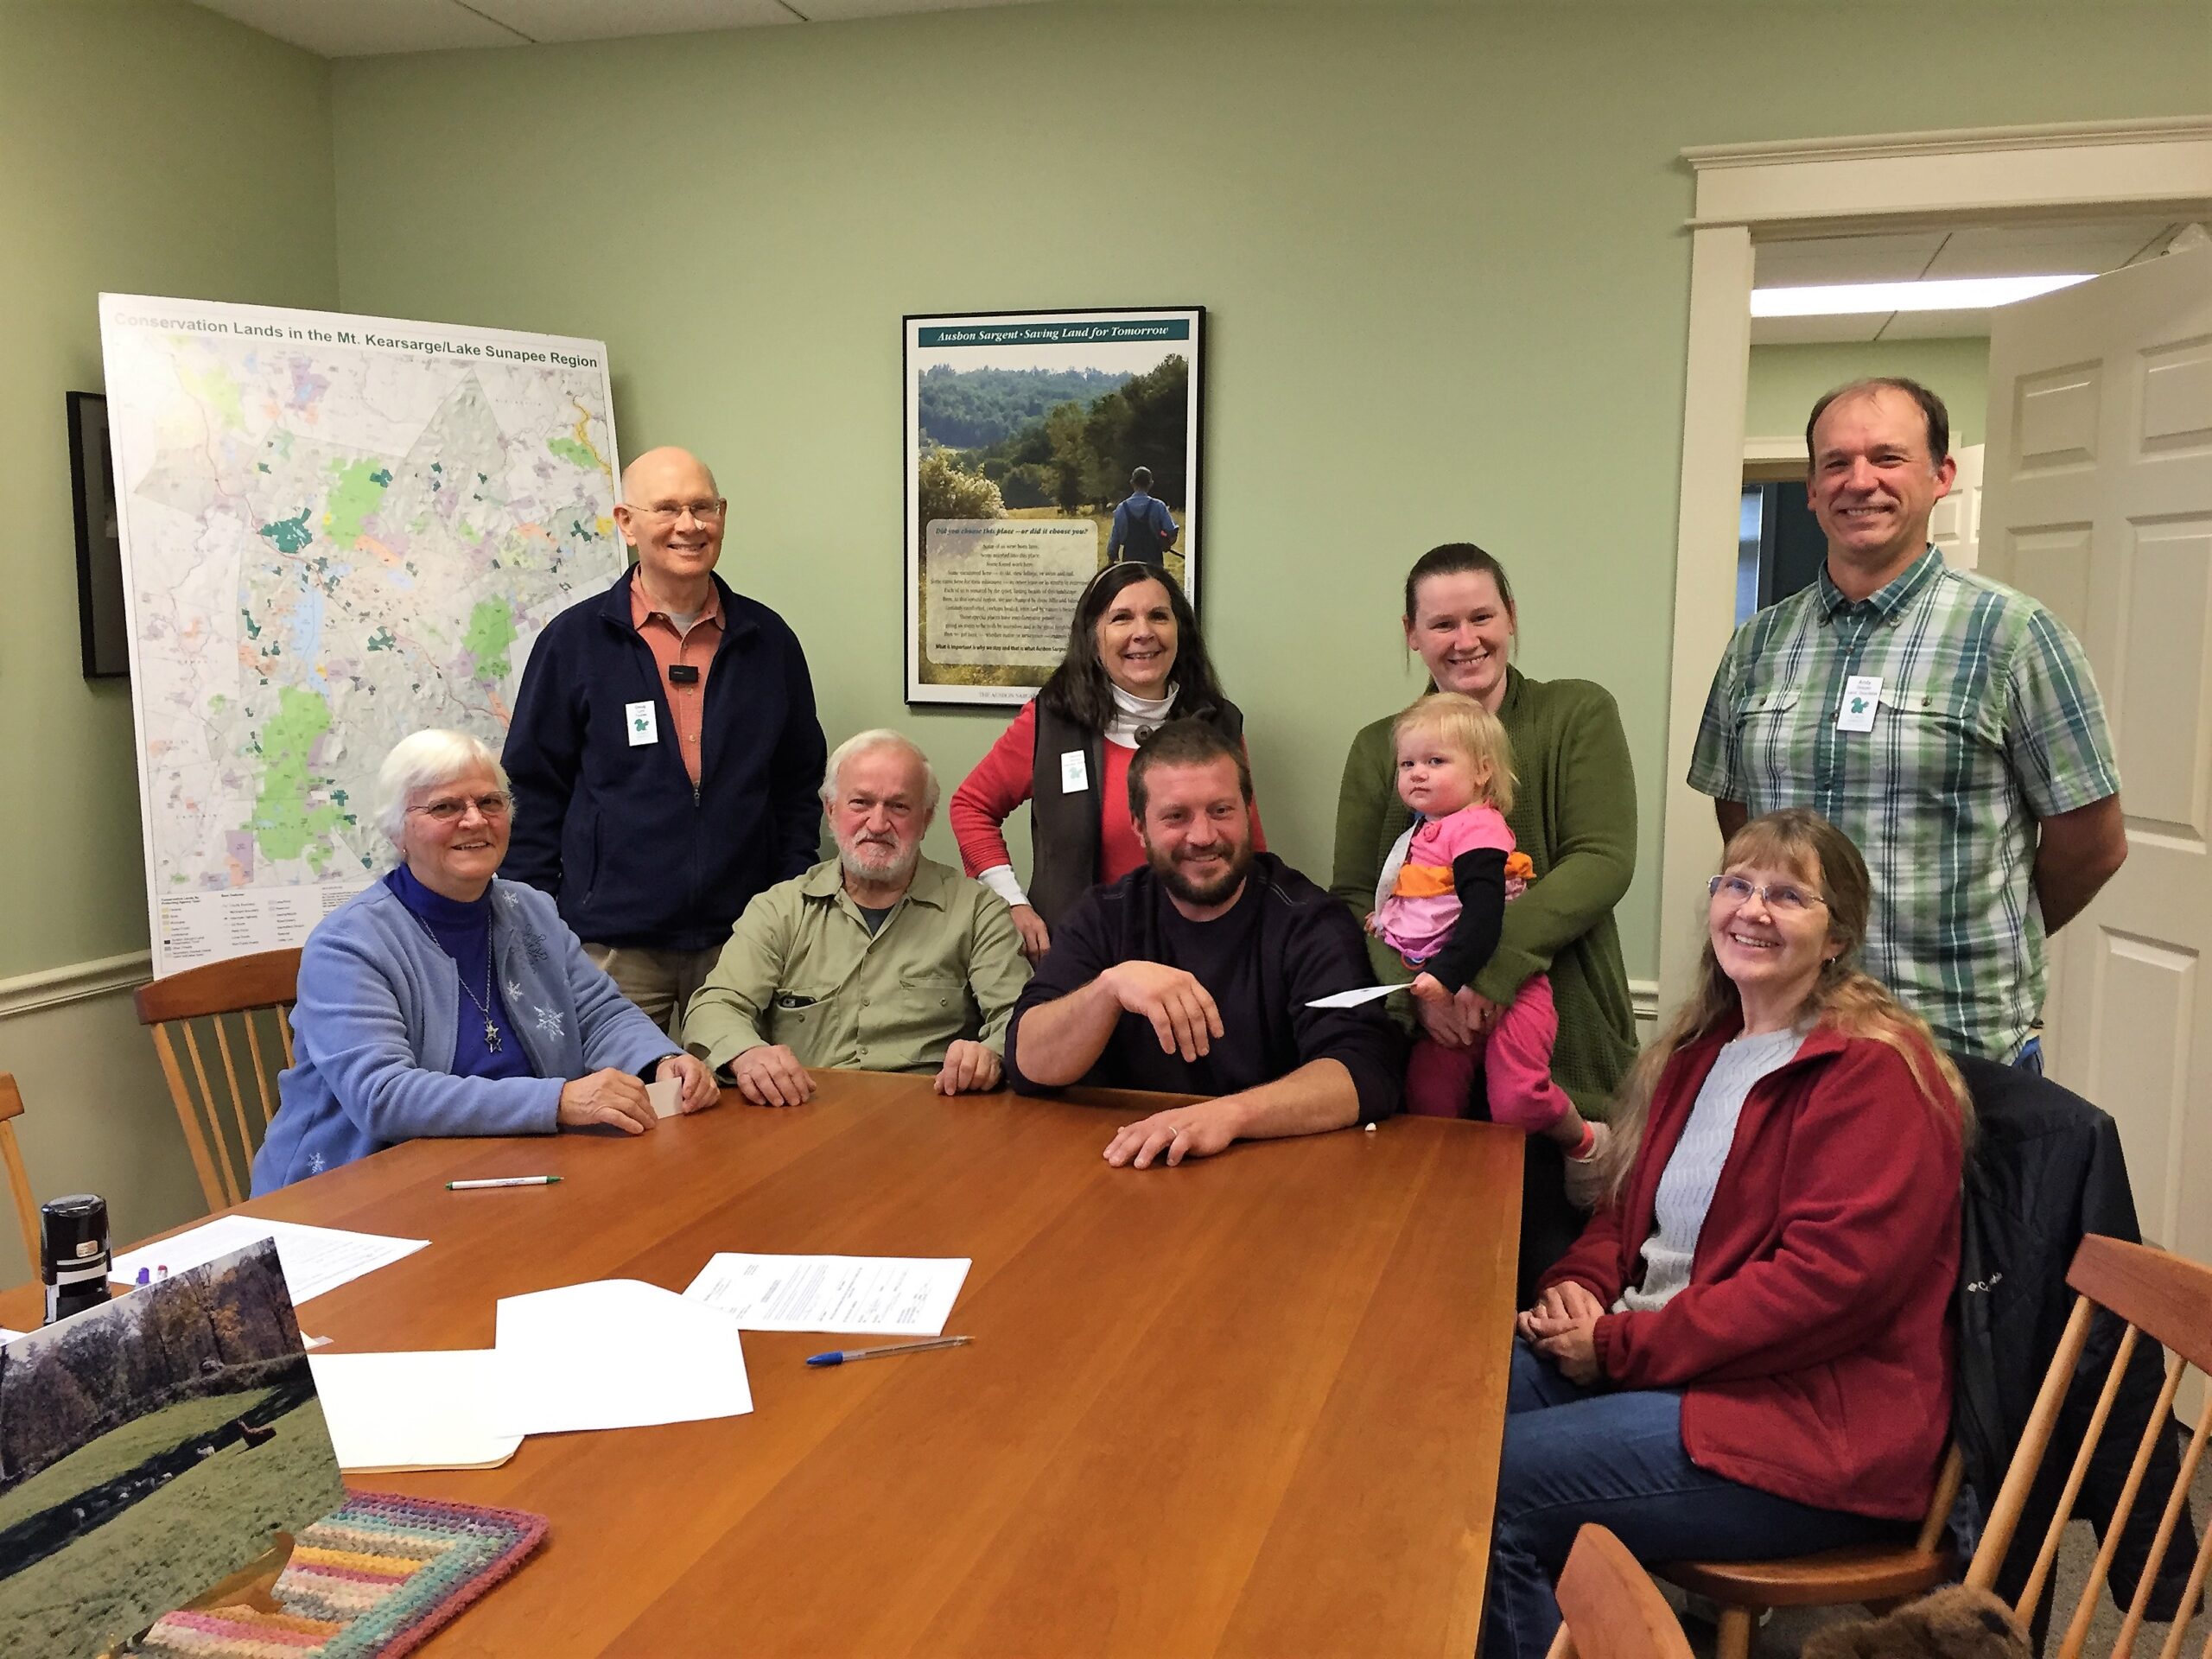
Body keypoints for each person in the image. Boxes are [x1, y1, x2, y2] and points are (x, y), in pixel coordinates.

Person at [1484, 808, 1970, 1659]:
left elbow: (1823, 1290)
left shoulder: (1876, 1071)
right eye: (1736, 885)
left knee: (1487, 1489)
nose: (1752, 910)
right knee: (1430, 1427)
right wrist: (1583, 1287)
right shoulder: (1702, 1045)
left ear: (1837, 937)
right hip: (1669, 1364)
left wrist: (1621, 1345)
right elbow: (1626, 1211)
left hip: (1800, 1423)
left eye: (1788, 896)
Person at [1690, 377, 2124, 1068]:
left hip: (1951, 1043)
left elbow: (2093, 843)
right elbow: (1741, 819)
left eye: (1887, 458)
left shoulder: (2014, 635)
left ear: (1940, 476)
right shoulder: (1757, 645)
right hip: (1784, 1036)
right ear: (1811, 488)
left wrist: (1983, 927)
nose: (1859, 481)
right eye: (1836, 463)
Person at [1332, 543, 1638, 1292]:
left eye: (1481, 617)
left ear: (1512, 619)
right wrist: (1422, 995)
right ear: (1411, 633)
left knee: (1559, 1288)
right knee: (1432, 1285)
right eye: (1441, 623)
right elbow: (1351, 898)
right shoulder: (1382, 748)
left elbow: (1602, 860)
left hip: (1561, 1046)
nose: (1464, 640)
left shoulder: (1575, 712)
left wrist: (1486, 972)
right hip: (1427, 1048)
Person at [251, 730, 718, 1193]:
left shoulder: (531, 909)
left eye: (490, 803)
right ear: (398, 831)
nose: (474, 820)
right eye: (445, 807)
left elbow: (598, 1014)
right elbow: (383, 1096)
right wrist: (557, 1101)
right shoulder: (348, 944)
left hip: (508, 1169)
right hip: (354, 1194)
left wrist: (660, 1060)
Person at [501, 445, 828, 1042]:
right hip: (610, 949)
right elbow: (531, 791)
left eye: (703, 507)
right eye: (668, 508)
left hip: (745, 941)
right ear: (626, 523)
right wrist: (543, 919)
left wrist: (786, 896)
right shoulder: (573, 643)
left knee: (747, 1117)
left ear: (723, 515)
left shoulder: (769, 642)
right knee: (623, 1113)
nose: (689, 525)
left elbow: (799, 784)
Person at [1005, 719, 1402, 1166]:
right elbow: (1027, 1064)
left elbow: (1365, 1072)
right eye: (1176, 816)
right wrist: (1108, 989)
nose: (1202, 836)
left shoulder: (1309, 920)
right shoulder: (1104, 915)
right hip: (1129, 1164)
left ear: (1247, 811)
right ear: (1139, 826)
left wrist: (1227, 1117)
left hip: (1275, 1169)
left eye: (1221, 811)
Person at [683, 730, 1033, 1103]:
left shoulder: (978, 912)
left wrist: (990, 1055)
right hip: (802, 1114)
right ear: (830, 810)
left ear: (926, 818)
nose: (878, 824)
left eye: (899, 806)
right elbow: (713, 1006)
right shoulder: (779, 909)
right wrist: (747, 1055)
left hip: (932, 1118)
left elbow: (1023, 1020)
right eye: (860, 803)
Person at [950, 563, 1263, 960]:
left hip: (1202, 954)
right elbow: (970, 807)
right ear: (1093, 637)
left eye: (1158, 616)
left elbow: (1249, 840)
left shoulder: (1219, 723)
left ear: (1179, 631)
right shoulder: (1051, 721)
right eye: (1121, 618)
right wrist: (1011, 902)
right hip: (1080, 961)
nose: (1143, 632)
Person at [1369, 693, 1606, 1193]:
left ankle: (1586, 1141)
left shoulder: (1477, 827)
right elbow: (1426, 900)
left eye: (1435, 761)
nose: (1417, 773)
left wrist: (1445, 975)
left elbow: (1482, 916)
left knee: (1518, 1097)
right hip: (1448, 991)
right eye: (1407, 763)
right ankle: (1449, 1191)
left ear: (1481, 772)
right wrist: (1386, 920)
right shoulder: (1424, 831)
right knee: (1427, 1099)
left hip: (1508, 988)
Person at [1104, 465, 1177, 564]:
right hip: (1154, 562)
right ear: (1151, 484)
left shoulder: (1122, 508)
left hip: (1130, 564)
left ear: (1132, 483)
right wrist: (1166, 542)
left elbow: (1115, 539)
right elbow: (1171, 531)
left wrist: (1111, 560)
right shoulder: (1159, 506)